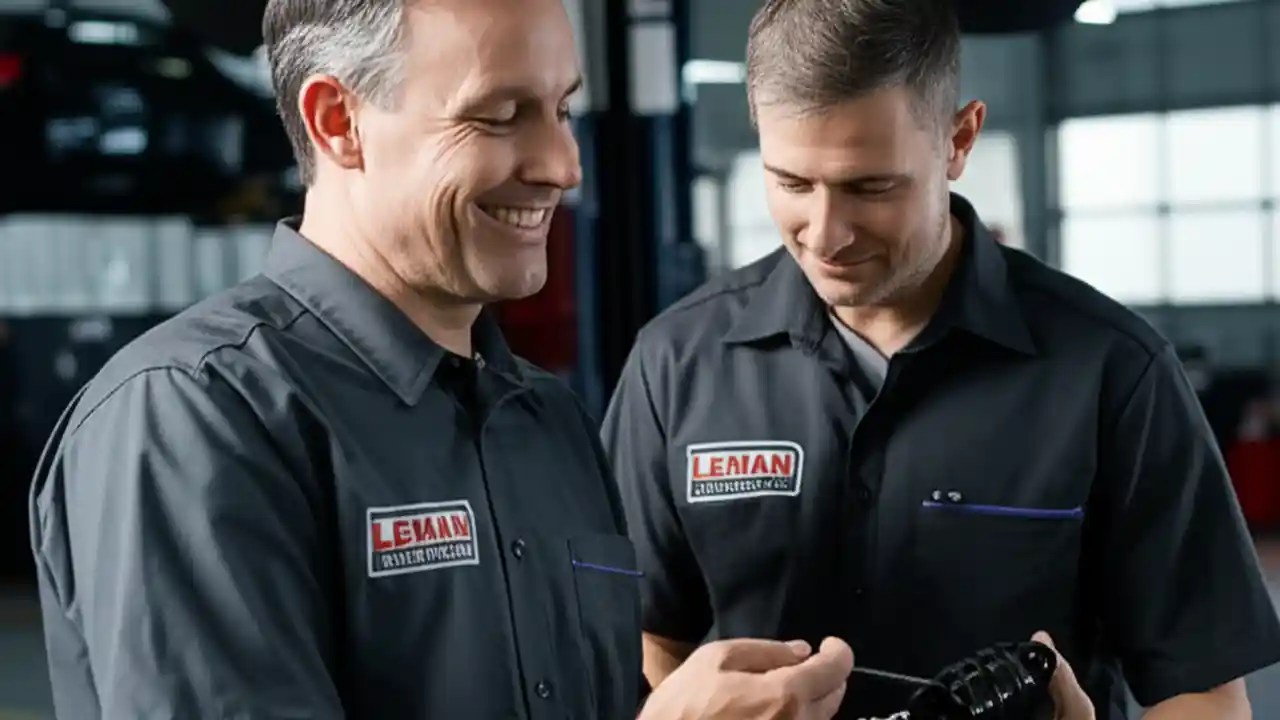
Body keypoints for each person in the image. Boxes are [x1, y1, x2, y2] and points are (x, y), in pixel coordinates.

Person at [27, 0, 855, 717]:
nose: (562, 166)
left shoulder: (549, 421)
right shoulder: (194, 419)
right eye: (499, 116)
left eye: (562, 110)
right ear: (338, 123)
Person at [601, 0, 1280, 718]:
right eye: (792, 183)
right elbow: (641, 632)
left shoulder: (1113, 372)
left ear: (959, 140)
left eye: (870, 187)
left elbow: (1204, 690)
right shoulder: (677, 365)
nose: (826, 234)